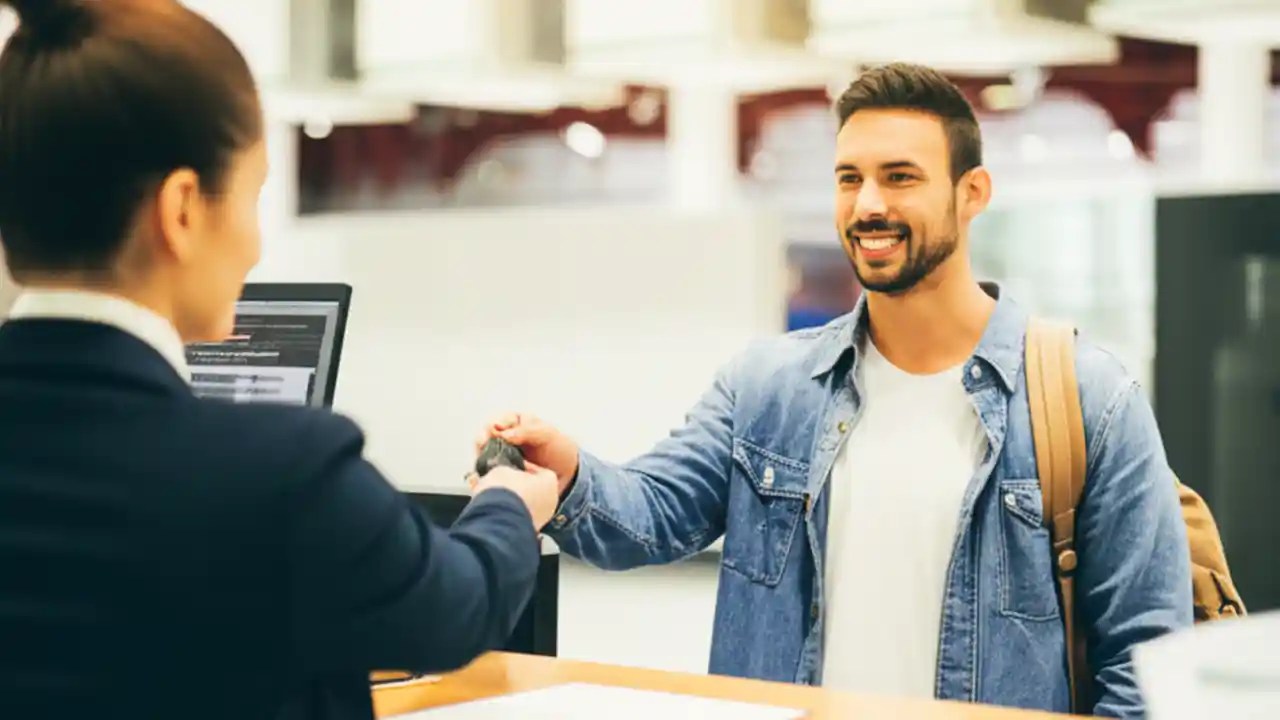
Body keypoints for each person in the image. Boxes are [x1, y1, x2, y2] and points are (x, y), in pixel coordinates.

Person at [478, 63, 1192, 717]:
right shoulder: (769, 388)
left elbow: (1149, 665)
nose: (868, 204)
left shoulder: (1089, 400)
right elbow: (653, 516)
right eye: (849, 178)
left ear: (972, 192)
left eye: (901, 177)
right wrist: (566, 472)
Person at [0, 1, 559, 718]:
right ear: (182, 211)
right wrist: (508, 502)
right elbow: (459, 607)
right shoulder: (281, 476)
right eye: (254, 195)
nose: (256, 245)